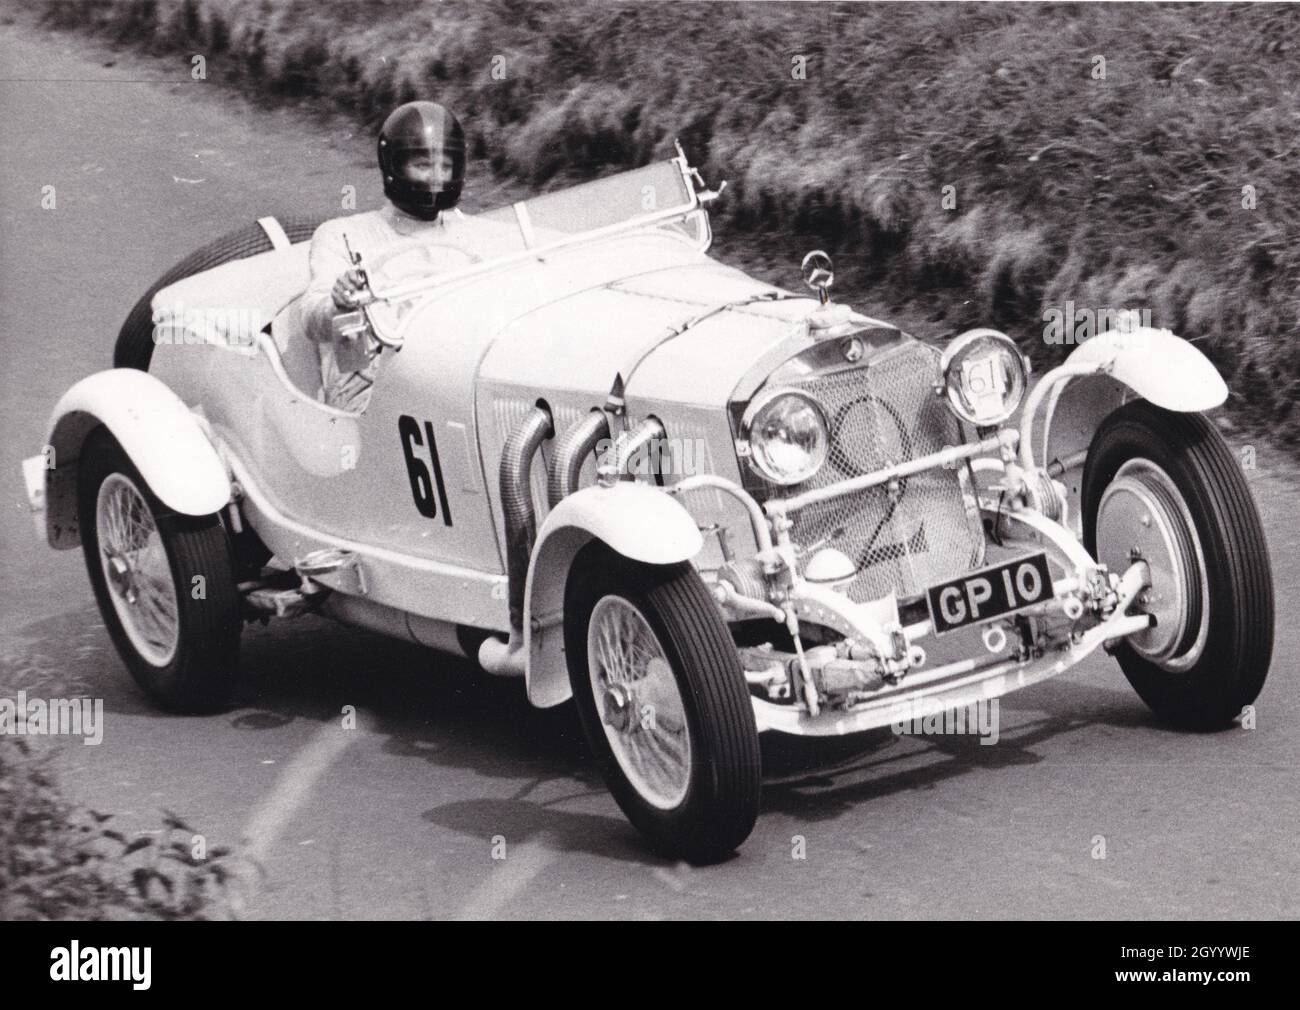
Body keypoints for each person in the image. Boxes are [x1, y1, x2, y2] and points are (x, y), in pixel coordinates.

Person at [298, 100, 477, 413]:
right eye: (423, 165)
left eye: (445, 166)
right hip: (368, 392)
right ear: (393, 166)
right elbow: (313, 316)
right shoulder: (342, 234)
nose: (437, 178)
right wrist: (339, 301)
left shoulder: (467, 231)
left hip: (454, 375)